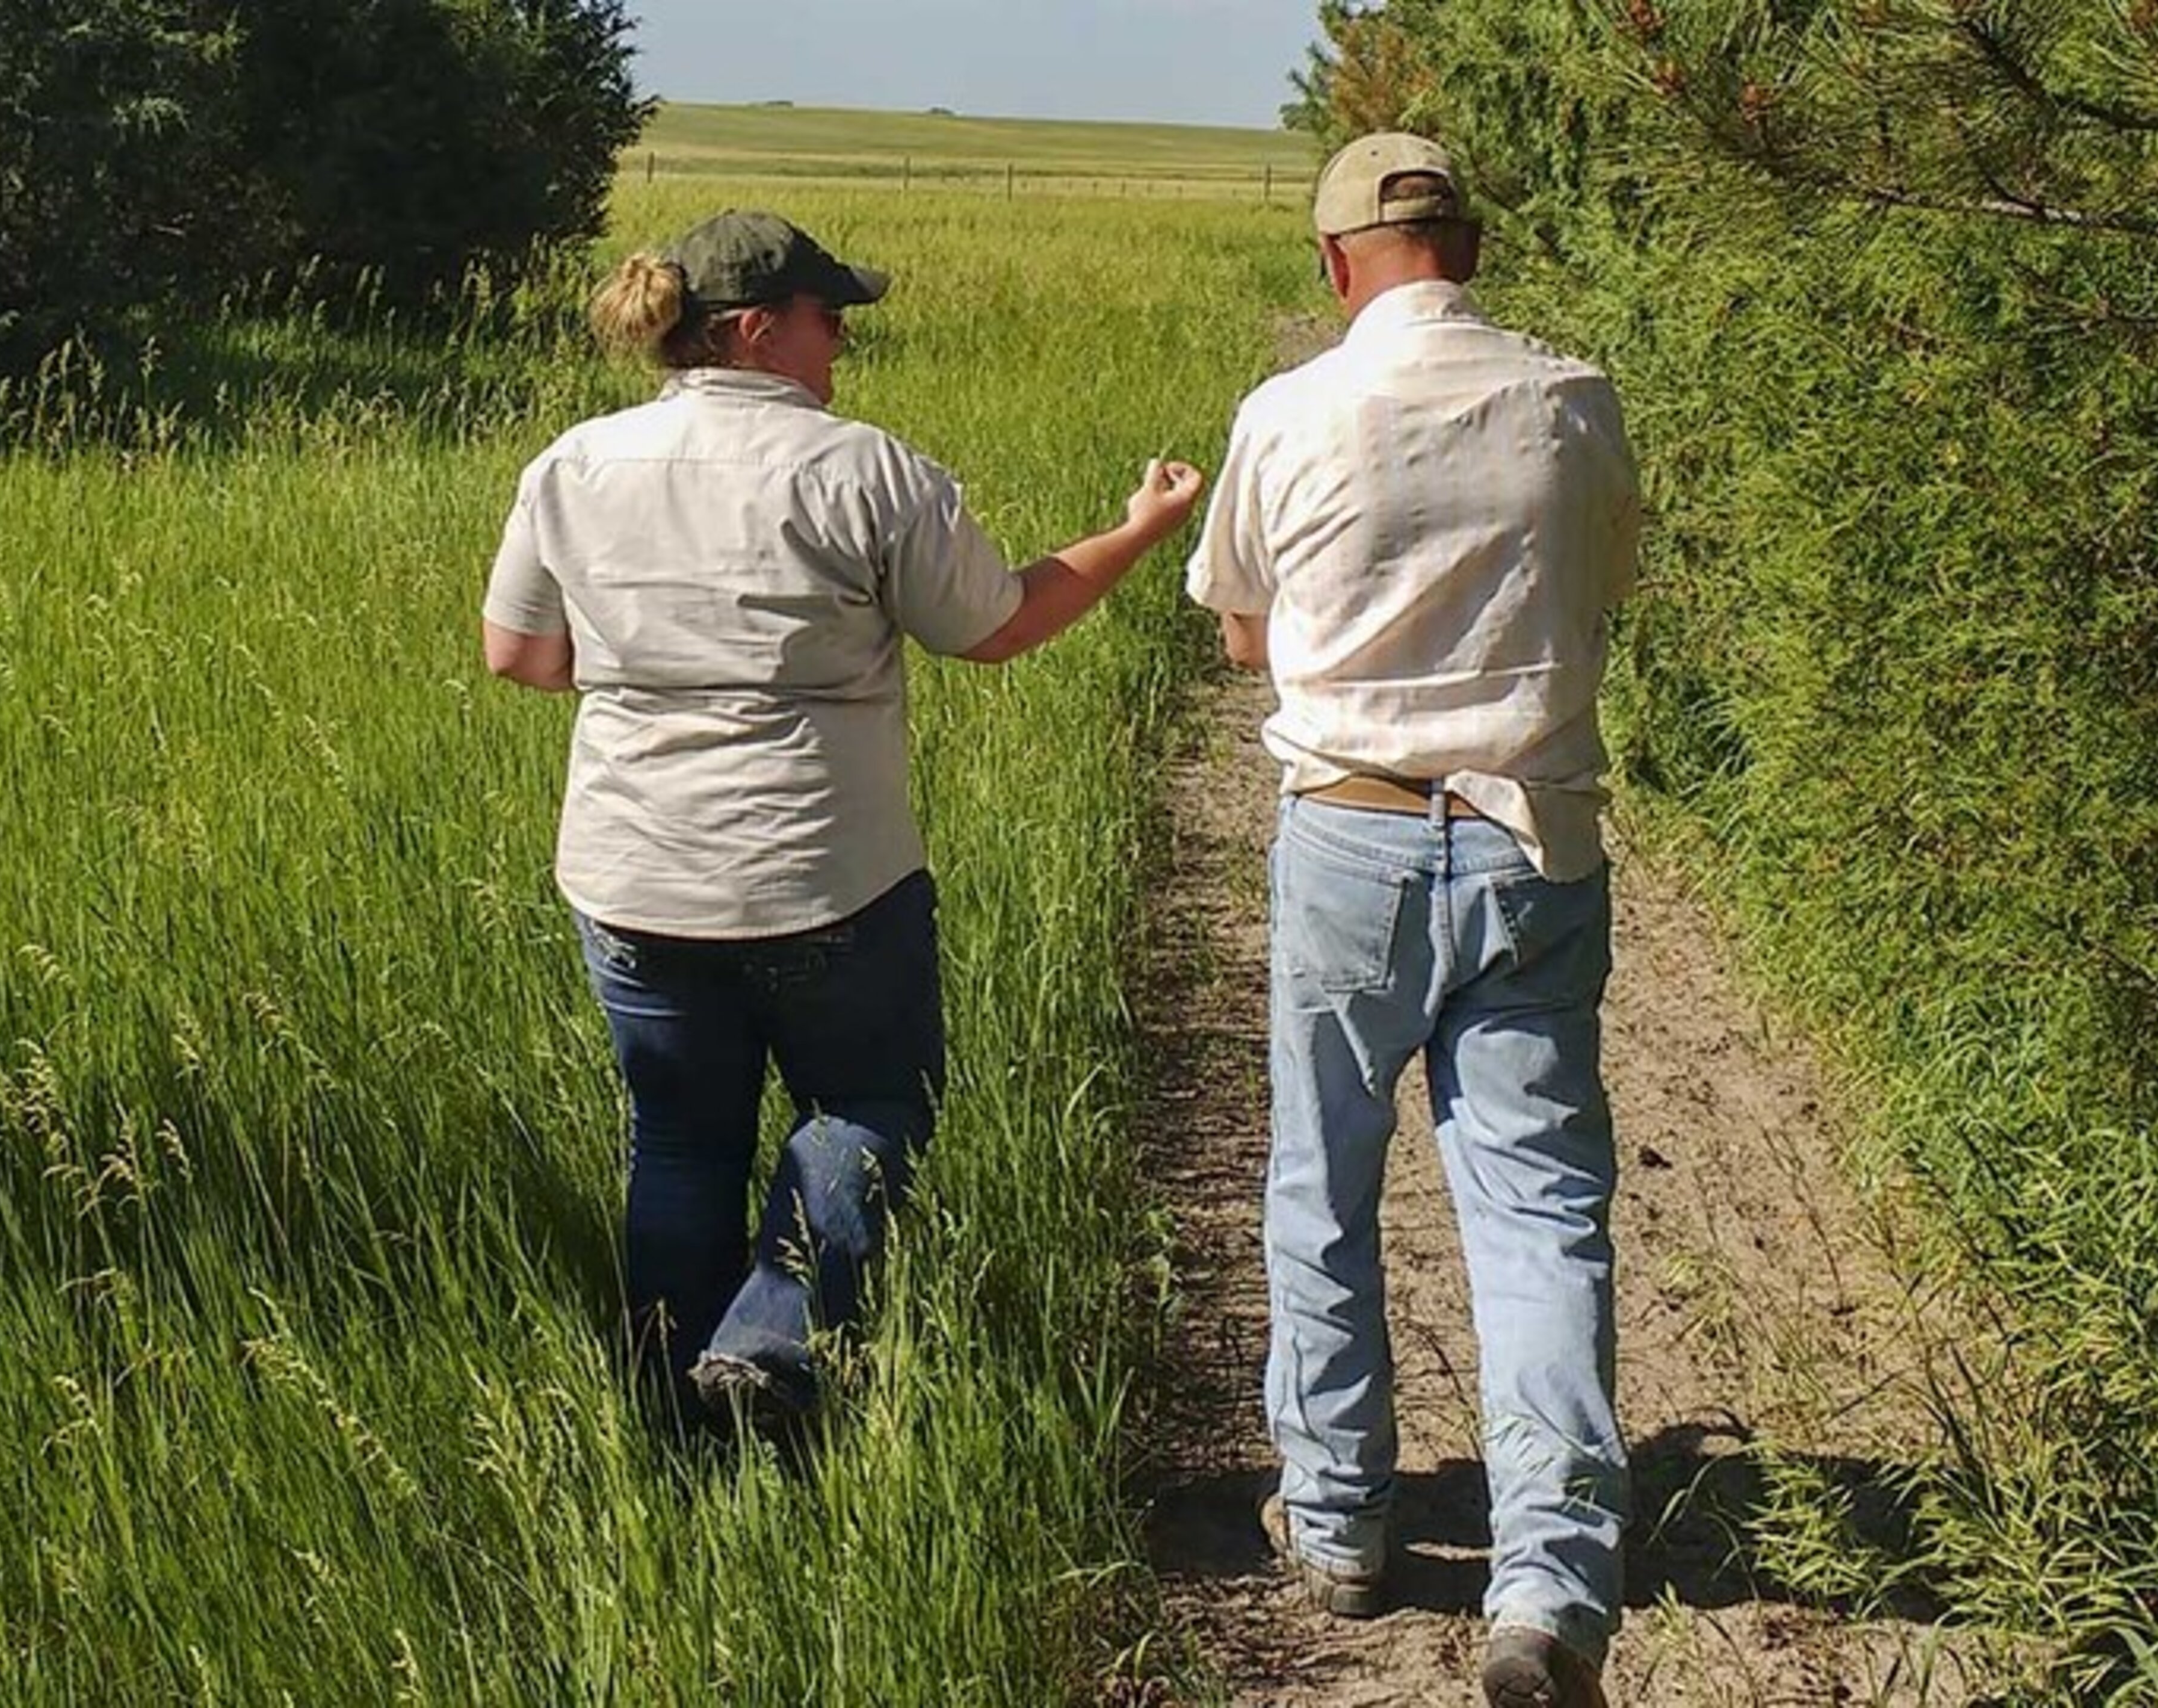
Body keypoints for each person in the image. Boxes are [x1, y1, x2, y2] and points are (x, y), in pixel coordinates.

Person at [481, 208, 1202, 1438]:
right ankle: (769, 1354)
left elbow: (519, 656)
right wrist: (1137, 529)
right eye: (829, 320)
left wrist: (653, 678)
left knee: (676, 1142)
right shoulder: (863, 470)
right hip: (822, 874)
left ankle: (670, 1412)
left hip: (634, 876)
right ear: (757, 331)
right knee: (864, 1107)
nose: (841, 345)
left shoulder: (574, 463)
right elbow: (995, 627)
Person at [1183, 135, 1639, 1708]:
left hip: (1353, 834)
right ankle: (1553, 1582)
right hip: (1533, 838)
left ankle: (1340, 1522)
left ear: (1332, 265)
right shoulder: (1573, 400)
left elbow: (1242, 632)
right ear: (1474, 245)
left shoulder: (1289, 413)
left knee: (1324, 1172)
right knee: (1538, 1209)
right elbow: (1601, 598)